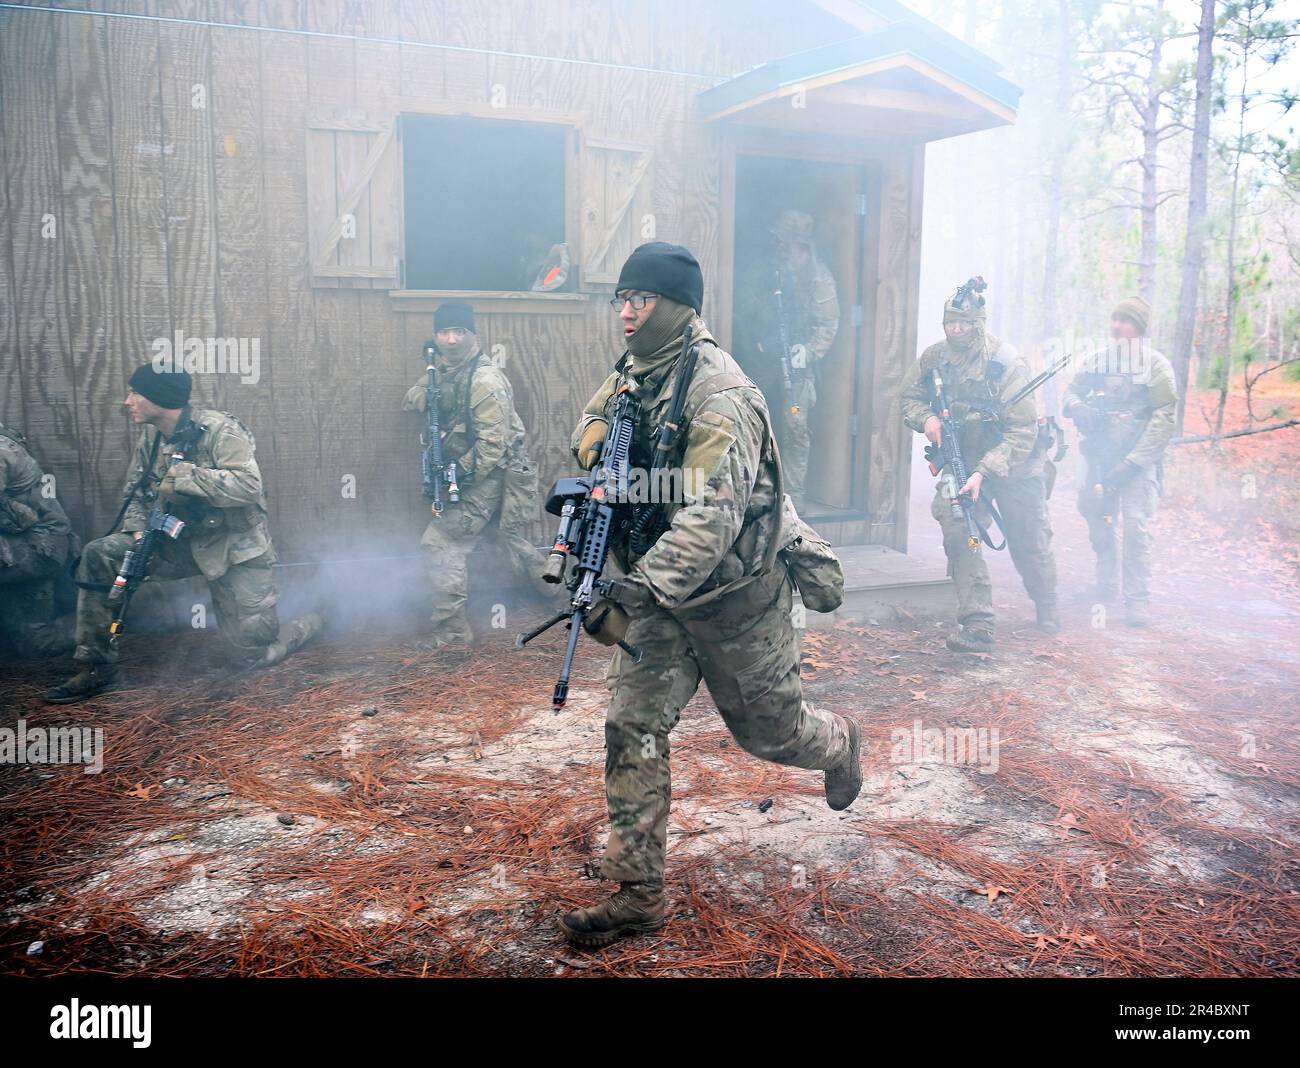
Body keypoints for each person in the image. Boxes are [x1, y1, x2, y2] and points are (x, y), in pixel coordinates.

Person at [559, 241, 862, 948]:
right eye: (621, 300)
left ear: (677, 307)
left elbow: (712, 518)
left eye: (642, 300)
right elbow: (587, 432)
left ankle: (842, 743)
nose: (627, 313)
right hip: (663, 599)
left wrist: (631, 596)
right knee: (630, 724)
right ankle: (639, 894)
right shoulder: (636, 371)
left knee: (771, 737)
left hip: (735, 597)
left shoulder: (720, 392)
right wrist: (604, 449)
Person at [45, 364, 322, 703]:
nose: (126, 401)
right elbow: (136, 488)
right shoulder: (152, 434)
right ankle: (94, 666)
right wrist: (136, 533)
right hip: (176, 542)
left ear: (161, 399)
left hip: (232, 548)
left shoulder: (221, 430)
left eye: (136, 393)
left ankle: (311, 622)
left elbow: (249, 487)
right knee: (99, 553)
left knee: (248, 656)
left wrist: (186, 475)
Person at [899, 278, 1060, 651]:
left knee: (1029, 542)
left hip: (1014, 466)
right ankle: (978, 622)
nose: (955, 331)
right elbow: (907, 397)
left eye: (963, 324)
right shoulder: (935, 359)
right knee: (959, 527)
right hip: (963, 461)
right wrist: (927, 420)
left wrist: (983, 471)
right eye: (949, 324)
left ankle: (1046, 599)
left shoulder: (1006, 364)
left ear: (979, 323)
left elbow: (1022, 432)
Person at [401, 301, 549, 648]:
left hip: (493, 474)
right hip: (480, 472)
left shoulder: (484, 380)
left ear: (472, 335)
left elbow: (492, 448)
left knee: (441, 543)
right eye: (444, 332)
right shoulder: (448, 372)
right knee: (507, 540)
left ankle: (452, 636)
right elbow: (410, 400)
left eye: (459, 332)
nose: (451, 339)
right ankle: (563, 595)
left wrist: (455, 473)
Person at [1063, 297, 1177, 627]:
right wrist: (1079, 408)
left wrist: (1133, 462)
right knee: (1099, 521)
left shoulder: (1155, 366)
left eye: (1125, 320)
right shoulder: (1098, 362)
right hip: (1100, 457)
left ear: (1139, 327)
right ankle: (1105, 584)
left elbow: (1165, 417)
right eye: (1114, 319)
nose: (1117, 326)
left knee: (1136, 528)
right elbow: (1070, 394)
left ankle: (1137, 599)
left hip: (1137, 462)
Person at [734, 210, 839, 513]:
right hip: (765, 359)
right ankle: (758, 491)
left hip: (798, 367)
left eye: (785, 242)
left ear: (802, 245)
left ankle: (794, 498)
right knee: (757, 422)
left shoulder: (818, 278)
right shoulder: (770, 269)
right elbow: (746, 303)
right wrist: (757, 336)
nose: (780, 247)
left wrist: (808, 351)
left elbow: (828, 325)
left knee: (794, 428)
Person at [0, 423, 76, 659]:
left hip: (39, 548)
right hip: (16, 548)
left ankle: (98, 619)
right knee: (28, 644)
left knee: (39, 645)